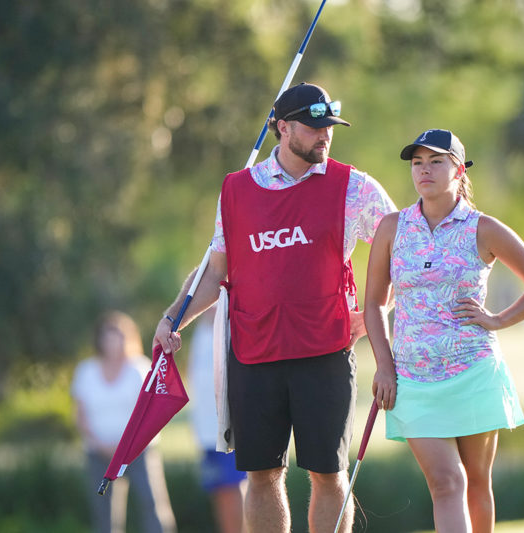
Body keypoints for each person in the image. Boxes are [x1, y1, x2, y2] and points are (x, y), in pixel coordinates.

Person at [153, 82, 396, 533]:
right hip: (254, 354)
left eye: (330, 127)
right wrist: (173, 317)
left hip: (324, 352)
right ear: (283, 128)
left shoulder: (353, 186)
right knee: (262, 475)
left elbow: (401, 253)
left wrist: (371, 316)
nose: (325, 135)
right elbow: (215, 271)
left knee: (328, 474)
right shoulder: (236, 189)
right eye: (314, 127)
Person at [364, 129, 524, 533]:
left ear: (459, 170)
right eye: (417, 163)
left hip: (473, 371)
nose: (424, 170)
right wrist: (384, 364)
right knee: (446, 481)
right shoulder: (392, 227)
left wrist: (498, 319)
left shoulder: (482, 228)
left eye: (436, 161)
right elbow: (375, 304)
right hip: (413, 379)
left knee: (476, 482)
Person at [72, 311, 177, 533]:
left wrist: (128, 445)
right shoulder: (86, 371)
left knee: (152, 505)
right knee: (104, 514)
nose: (113, 342)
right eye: (108, 336)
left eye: (118, 336)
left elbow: (151, 412)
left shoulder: (140, 368)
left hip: (139, 452)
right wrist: (101, 445)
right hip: (99, 453)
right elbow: (80, 415)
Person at [188, 306, 247, 533]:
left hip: (229, 429)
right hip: (206, 432)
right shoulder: (200, 332)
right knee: (219, 492)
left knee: (235, 489)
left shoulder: (231, 328)